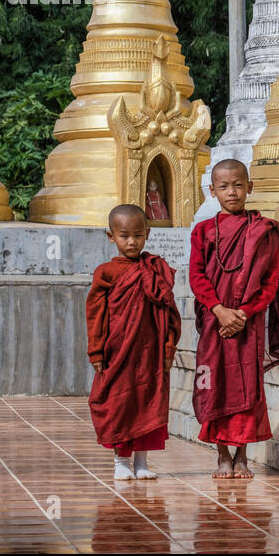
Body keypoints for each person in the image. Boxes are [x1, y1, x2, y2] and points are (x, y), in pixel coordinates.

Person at [189, 159, 279, 479]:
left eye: (237, 185)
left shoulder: (264, 231)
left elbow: (270, 281)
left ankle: (243, 456)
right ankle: (222, 455)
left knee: (248, 387)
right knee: (214, 386)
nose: (231, 192)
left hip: (248, 325)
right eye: (223, 186)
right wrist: (219, 310)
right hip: (214, 322)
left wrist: (245, 313)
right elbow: (197, 276)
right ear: (212, 191)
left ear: (250, 187)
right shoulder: (203, 231)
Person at [86, 203, 182, 481]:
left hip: (150, 352)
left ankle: (142, 462)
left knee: (147, 402)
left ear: (148, 234)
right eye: (124, 235)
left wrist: (168, 348)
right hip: (118, 351)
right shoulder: (106, 272)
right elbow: (95, 314)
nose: (132, 242)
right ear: (111, 236)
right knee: (120, 404)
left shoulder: (155, 269)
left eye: (138, 235)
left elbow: (170, 312)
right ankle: (121, 461)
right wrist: (96, 351)